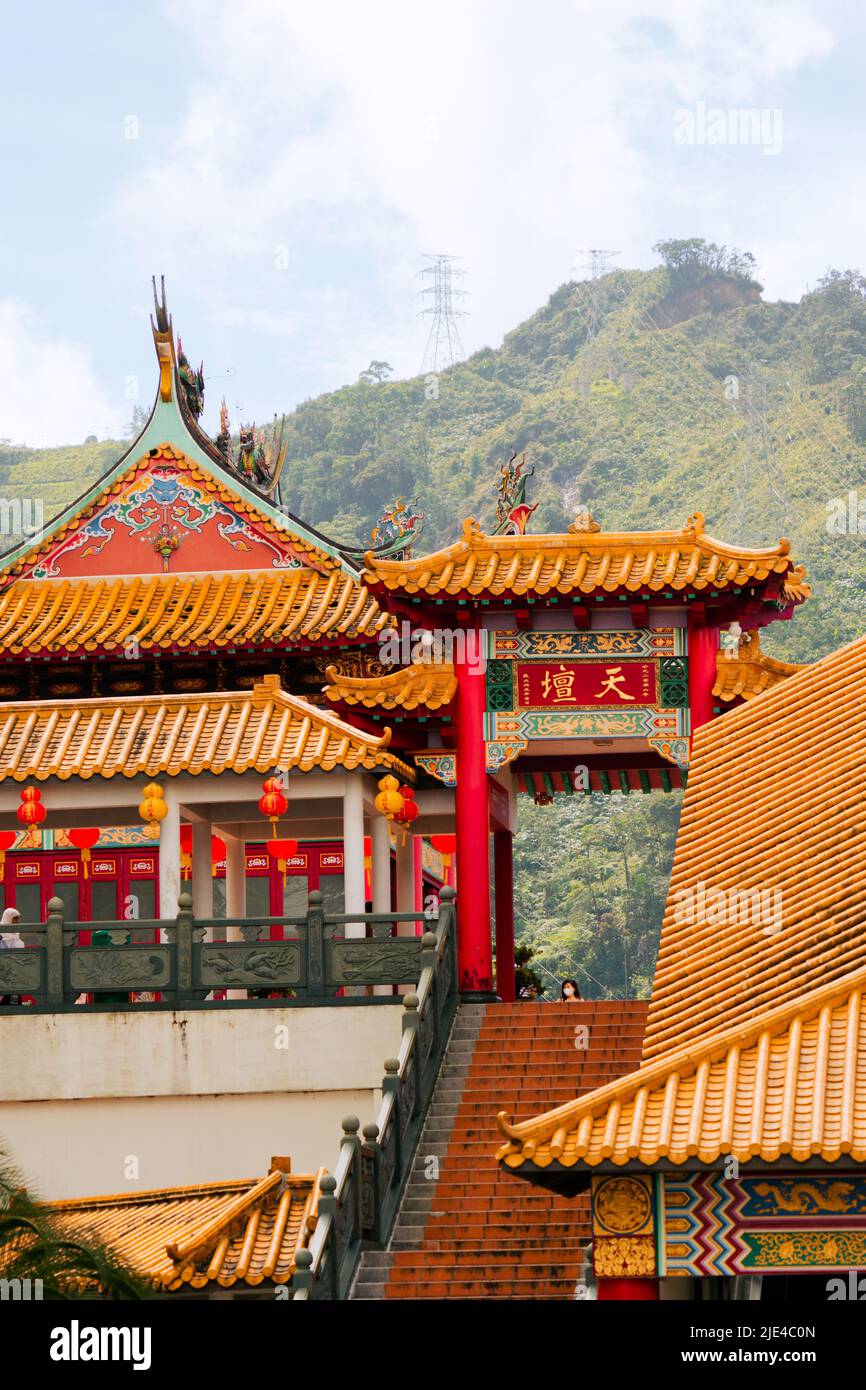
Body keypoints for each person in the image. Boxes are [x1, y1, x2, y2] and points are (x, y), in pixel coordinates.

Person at [0, 906, 24, 1005]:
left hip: (15, 968)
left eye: (18, 919)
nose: (17, 921)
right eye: (15, 919)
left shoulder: (15, 933)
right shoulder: (1, 931)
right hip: (4, 968)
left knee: (14, 994)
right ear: (8, 918)